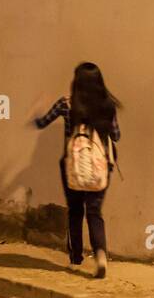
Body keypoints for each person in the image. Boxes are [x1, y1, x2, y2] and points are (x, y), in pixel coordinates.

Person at [35, 62, 121, 278]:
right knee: (94, 211)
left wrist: (37, 108)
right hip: (100, 166)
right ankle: (100, 254)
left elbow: (42, 123)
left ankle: (75, 258)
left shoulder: (66, 104)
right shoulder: (107, 105)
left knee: (75, 210)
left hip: (71, 165)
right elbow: (117, 135)